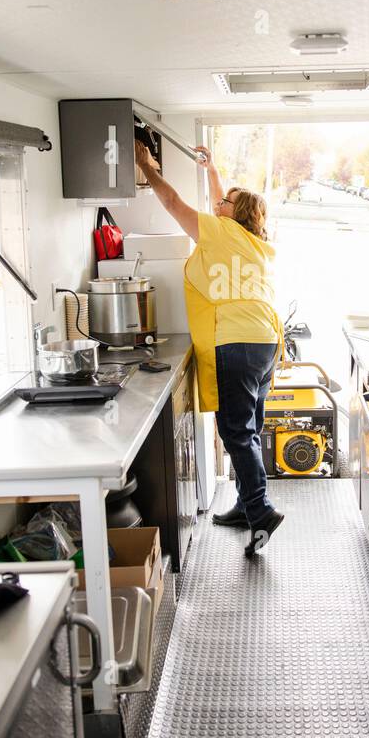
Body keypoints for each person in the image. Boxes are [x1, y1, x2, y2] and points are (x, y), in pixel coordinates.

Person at [134, 140, 284, 558]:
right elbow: (219, 199)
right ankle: (244, 505)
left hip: (234, 341)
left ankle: (261, 511)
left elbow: (172, 201)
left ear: (236, 213)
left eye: (226, 202)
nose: (218, 203)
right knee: (249, 428)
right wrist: (211, 168)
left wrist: (146, 167)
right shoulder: (255, 243)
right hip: (266, 341)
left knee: (235, 432)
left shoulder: (217, 230)